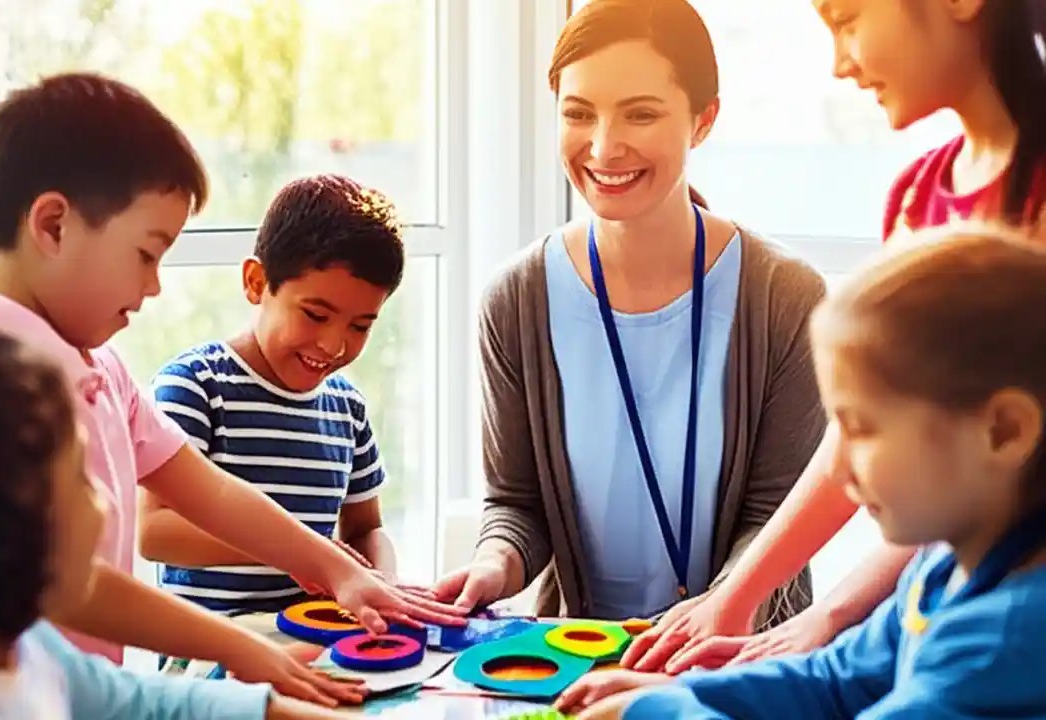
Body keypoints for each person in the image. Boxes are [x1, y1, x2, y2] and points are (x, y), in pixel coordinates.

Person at [0, 71, 461, 702]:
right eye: (147, 255)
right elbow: (72, 583)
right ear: (54, 225)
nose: (153, 287)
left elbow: (210, 491)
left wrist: (341, 570)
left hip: (84, 696)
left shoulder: (103, 369)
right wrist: (242, 648)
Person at [622, 0, 1046, 674]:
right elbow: (862, 434)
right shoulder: (916, 197)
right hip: (938, 613)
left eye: (847, 20)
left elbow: (982, 476)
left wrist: (832, 617)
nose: (840, 64)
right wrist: (742, 597)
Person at [432, 0, 826, 626]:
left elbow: (778, 518)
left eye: (640, 114)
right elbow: (516, 504)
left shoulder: (785, 300)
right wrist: (492, 564)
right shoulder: (515, 301)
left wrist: (716, 612)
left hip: (734, 662)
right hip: (572, 660)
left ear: (703, 121)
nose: (604, 146)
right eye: (578, 113)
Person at [559, 228, 1046, 719]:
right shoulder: (944, 566)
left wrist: (655, 716)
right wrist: (665, 698)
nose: (835, 466)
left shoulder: (1010, 636)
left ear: (1004, 431)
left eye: (861, 428)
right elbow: (837, 681)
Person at [0, 320, 359, 720]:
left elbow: (143, 702)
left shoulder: (18, 639)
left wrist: (271, 707)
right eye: (79, 475)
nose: (104, 494)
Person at [142, 174, 406, 615]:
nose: (334, 345)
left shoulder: (348, 408)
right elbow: (154, 532)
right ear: (256, 282)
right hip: (212, 656)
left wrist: (381, 580)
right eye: (315, 314)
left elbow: (365, 529)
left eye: (360, 326)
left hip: (315, 649)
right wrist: (303, 552)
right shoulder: (195, 387)